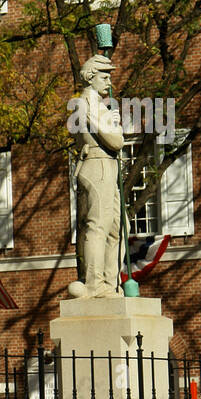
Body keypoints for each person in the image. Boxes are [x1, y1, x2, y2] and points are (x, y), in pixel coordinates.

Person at [68, 53, 125, 298]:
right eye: (104, 76)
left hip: (108, 165)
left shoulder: (98, 105)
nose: (109, 82)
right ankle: (94, 284)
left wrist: (112, 122)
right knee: (98, 226)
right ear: (91, 77)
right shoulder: (83, 104)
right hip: (96, 164)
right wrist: (112, 127)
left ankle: (110, 283)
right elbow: (115, 141)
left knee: (118, 228)